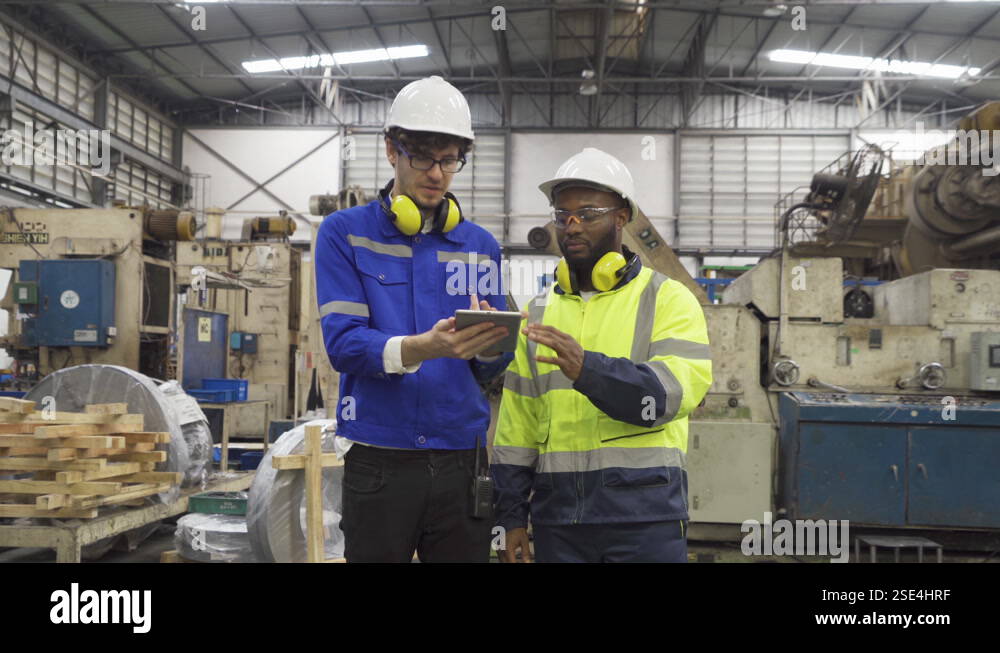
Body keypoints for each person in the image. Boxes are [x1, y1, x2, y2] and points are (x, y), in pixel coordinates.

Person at [315, 76, 513, 563]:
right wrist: (420, 348)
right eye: (423, 156)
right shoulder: (345, 234)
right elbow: (343, 344)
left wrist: (491, 347)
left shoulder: (479, 246)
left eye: (449, 160)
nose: (437, 173)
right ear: (391, 150)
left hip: (462, 462)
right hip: (380, 460)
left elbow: (494, 366)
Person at [492, 148, 713, 563]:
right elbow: (515, 432)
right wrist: (510, 518)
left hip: (644, 519)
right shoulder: (538, 313)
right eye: (563, 215)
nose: (572, 226)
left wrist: (588, 370)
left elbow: (669, 397)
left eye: (588, 213)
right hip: (560, 523)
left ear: (622, 216)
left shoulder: (667, 300)